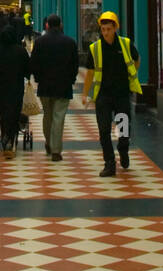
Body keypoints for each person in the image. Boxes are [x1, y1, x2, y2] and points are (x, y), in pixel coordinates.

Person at [82, 11, 141, 177]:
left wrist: (132, 74)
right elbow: (90, 73)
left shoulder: (125, 44)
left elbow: (136, 59)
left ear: (115, 28)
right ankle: (109, 163)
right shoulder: (95, 48)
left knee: (123, 128)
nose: (106, 32)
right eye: (103, 29)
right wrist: (85, 94)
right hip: (103, 96)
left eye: (108, 29)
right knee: (104, 130)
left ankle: (123, 149)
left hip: (121, 93)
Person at [29, 13, 79, 161]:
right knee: (59, 117)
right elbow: (74, 64)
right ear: (61, 25)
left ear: (47, 25)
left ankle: (49, 143)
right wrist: (72, 79)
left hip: (45, 85)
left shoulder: (39, 42)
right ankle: (56, 149)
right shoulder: (70, 42)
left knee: (48, 115)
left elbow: (34, 63)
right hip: (63, 85)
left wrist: (37, 77)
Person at [0, 22, 30, 158]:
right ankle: (10, 138)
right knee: (14, 111)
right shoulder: (20, 51)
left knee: (3, 111)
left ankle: (6, 135)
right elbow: (27, 69)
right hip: (16, 86)